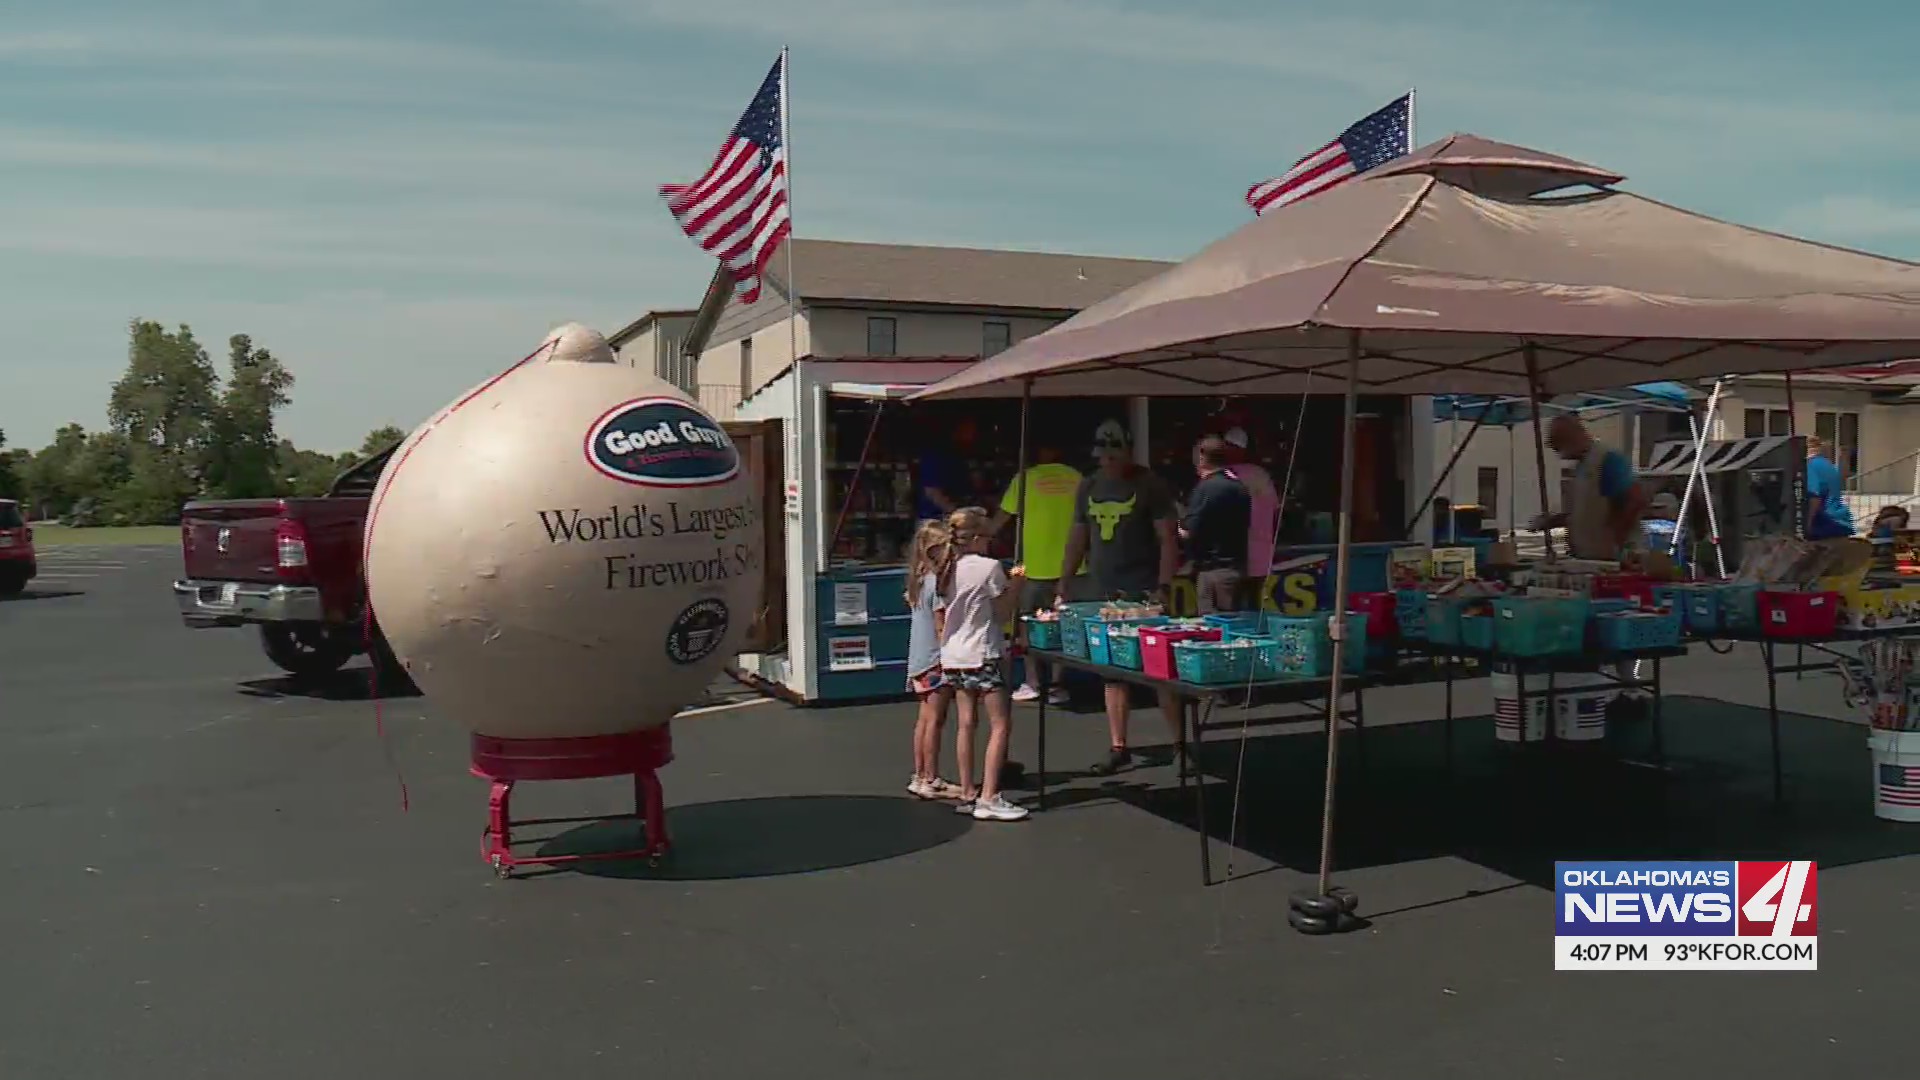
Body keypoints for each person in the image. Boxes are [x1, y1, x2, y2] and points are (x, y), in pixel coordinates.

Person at [1057, 420, 1182, 776]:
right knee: (1112, 672)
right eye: (1103, 453)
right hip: (1103, 589)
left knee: (1161, 670)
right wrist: (1065, 579)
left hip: (1143, 587)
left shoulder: (1149, 484)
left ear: (1127, 450)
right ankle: (1118, 745)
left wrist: (1164, 583)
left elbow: (1168, 538)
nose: (1108, 459)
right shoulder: (1089, 485)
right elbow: (1077, 535)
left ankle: (1179, 742)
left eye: (1114, 452)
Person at [934, 507, 1030, 822]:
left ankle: (968, 791)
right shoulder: (989, 568)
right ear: (976, 538)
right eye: (988, 537)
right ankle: (989, 796)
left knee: (966, 723)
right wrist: (1017, 584)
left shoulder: (946, 567)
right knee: (1000, 724)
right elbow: (1002, 613)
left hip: (954, 654)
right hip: (982, 651)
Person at [993, 438, 1084, 705]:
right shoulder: (1076, 477)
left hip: (1031, 566)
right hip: (1074, 566)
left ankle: (1033, 681)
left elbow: (1000, 521)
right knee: (1064, 627)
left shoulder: (1024, 478)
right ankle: (1057, 685)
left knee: (1026, 625)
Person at [1532, 415, 1648, 560]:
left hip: (1613, 556)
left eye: (1557, 444)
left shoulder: (1607, 459)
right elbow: (1588, 511)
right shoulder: (1582, 467)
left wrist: (1616, 537)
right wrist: (1555, 521)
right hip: (1590, 556)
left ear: (1572, 437)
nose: (1557, 451)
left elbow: (1635, 499)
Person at [903, 520, 958, 800]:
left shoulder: (919, 578)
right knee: (936, 720)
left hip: (918, 659)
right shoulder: (937, 583)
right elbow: (941, 624)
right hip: (936, 660)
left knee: (924, 719)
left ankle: (920, 775)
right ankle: (932, 779)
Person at [1181, 436, 1253, 613]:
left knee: (1214, 630)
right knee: (1235, 629)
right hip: (1237, 570)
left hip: (1213, 573)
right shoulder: (1240, 487)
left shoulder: (1205, 489)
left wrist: (1176, 525)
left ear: (1202, 457)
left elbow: (1188, 532)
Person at [1222, 428, 1278, 610]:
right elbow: (1275, 510)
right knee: (1254, 603)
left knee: (1234, 605)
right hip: (1257, 552)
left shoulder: (1224, 475)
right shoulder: (1260, 474)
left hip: (1235, 555)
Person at [1804, 436, 1857, 540]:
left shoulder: (1809, 466)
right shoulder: (1828, 465)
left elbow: (1814, 497)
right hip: (1841, 522)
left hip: (1824, 524)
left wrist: (1806, 527)